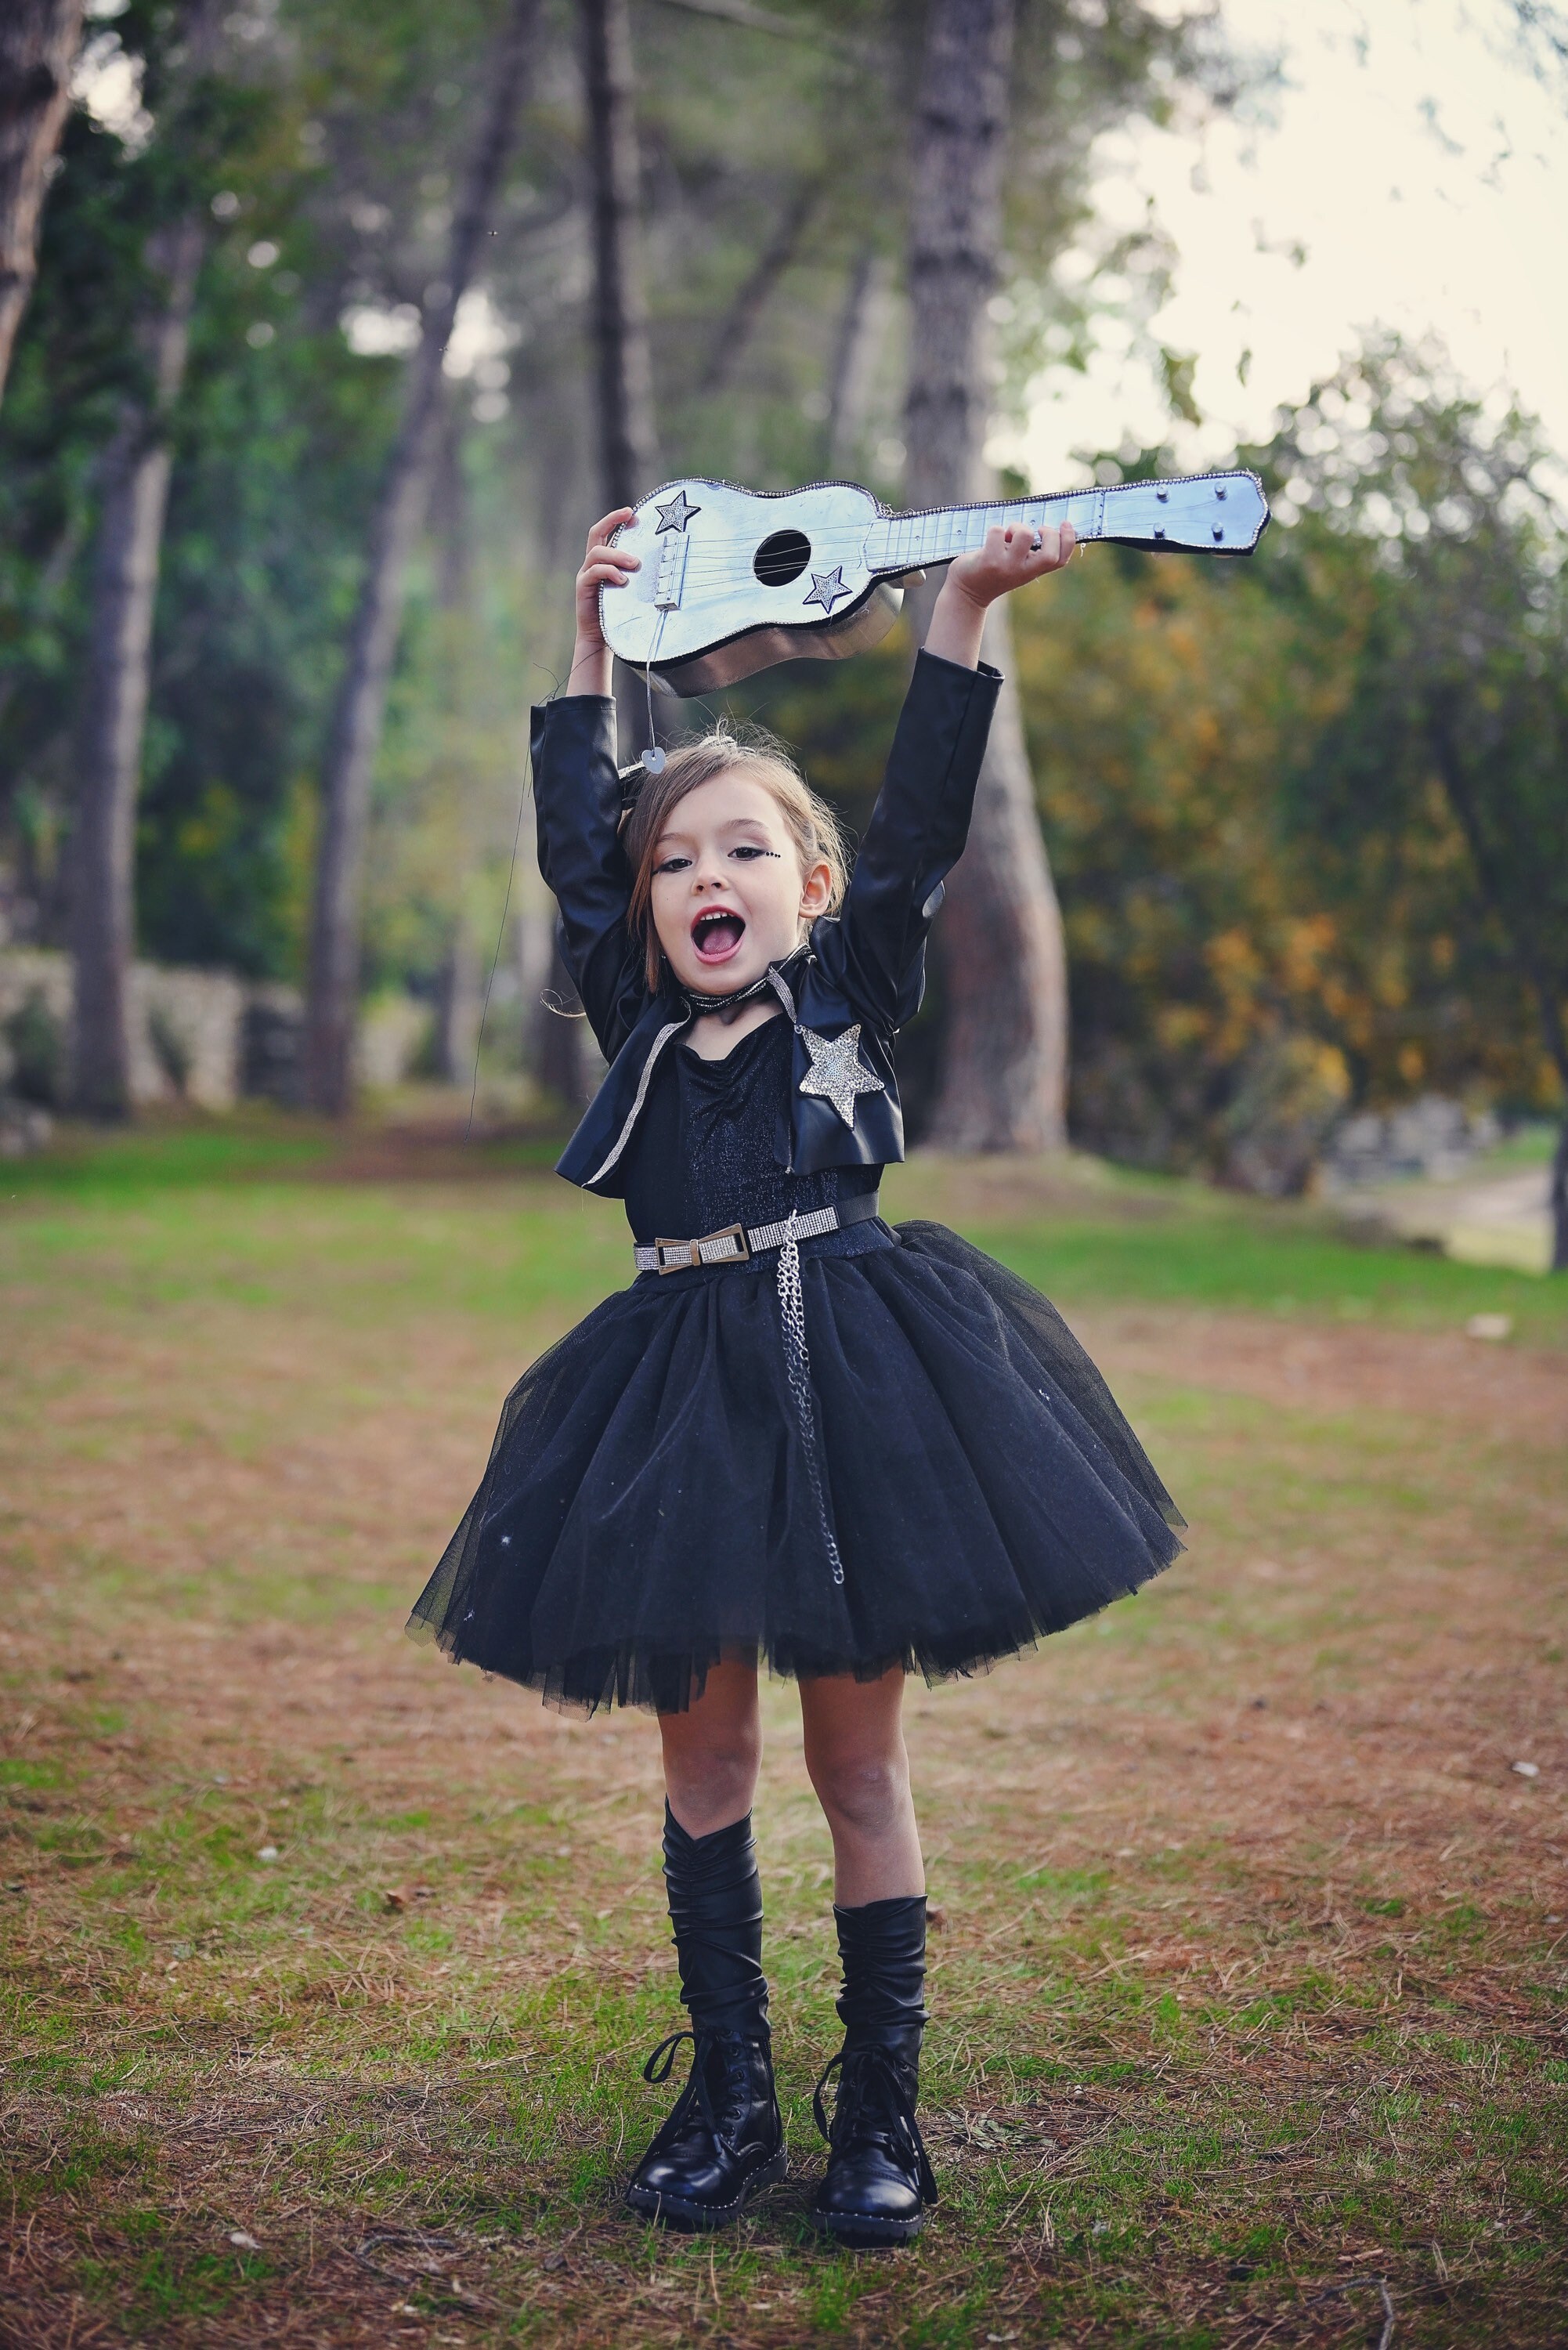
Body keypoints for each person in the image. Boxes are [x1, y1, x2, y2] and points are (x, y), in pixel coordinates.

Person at [409, 505, 1183, 2245]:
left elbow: (920, 819)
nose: (708, 882)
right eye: (676, 859)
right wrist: (588, 647)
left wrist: (963, 609)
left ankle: (881, 2114)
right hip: (677, 1414)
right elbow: (565, 835)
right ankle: (729, 2097)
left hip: (859, 1402)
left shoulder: (848, 986)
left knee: (853, 1769)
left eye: (745, 853)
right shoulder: (637, 1011)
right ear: (645, 898)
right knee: (705, 1768)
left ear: (805, 888)